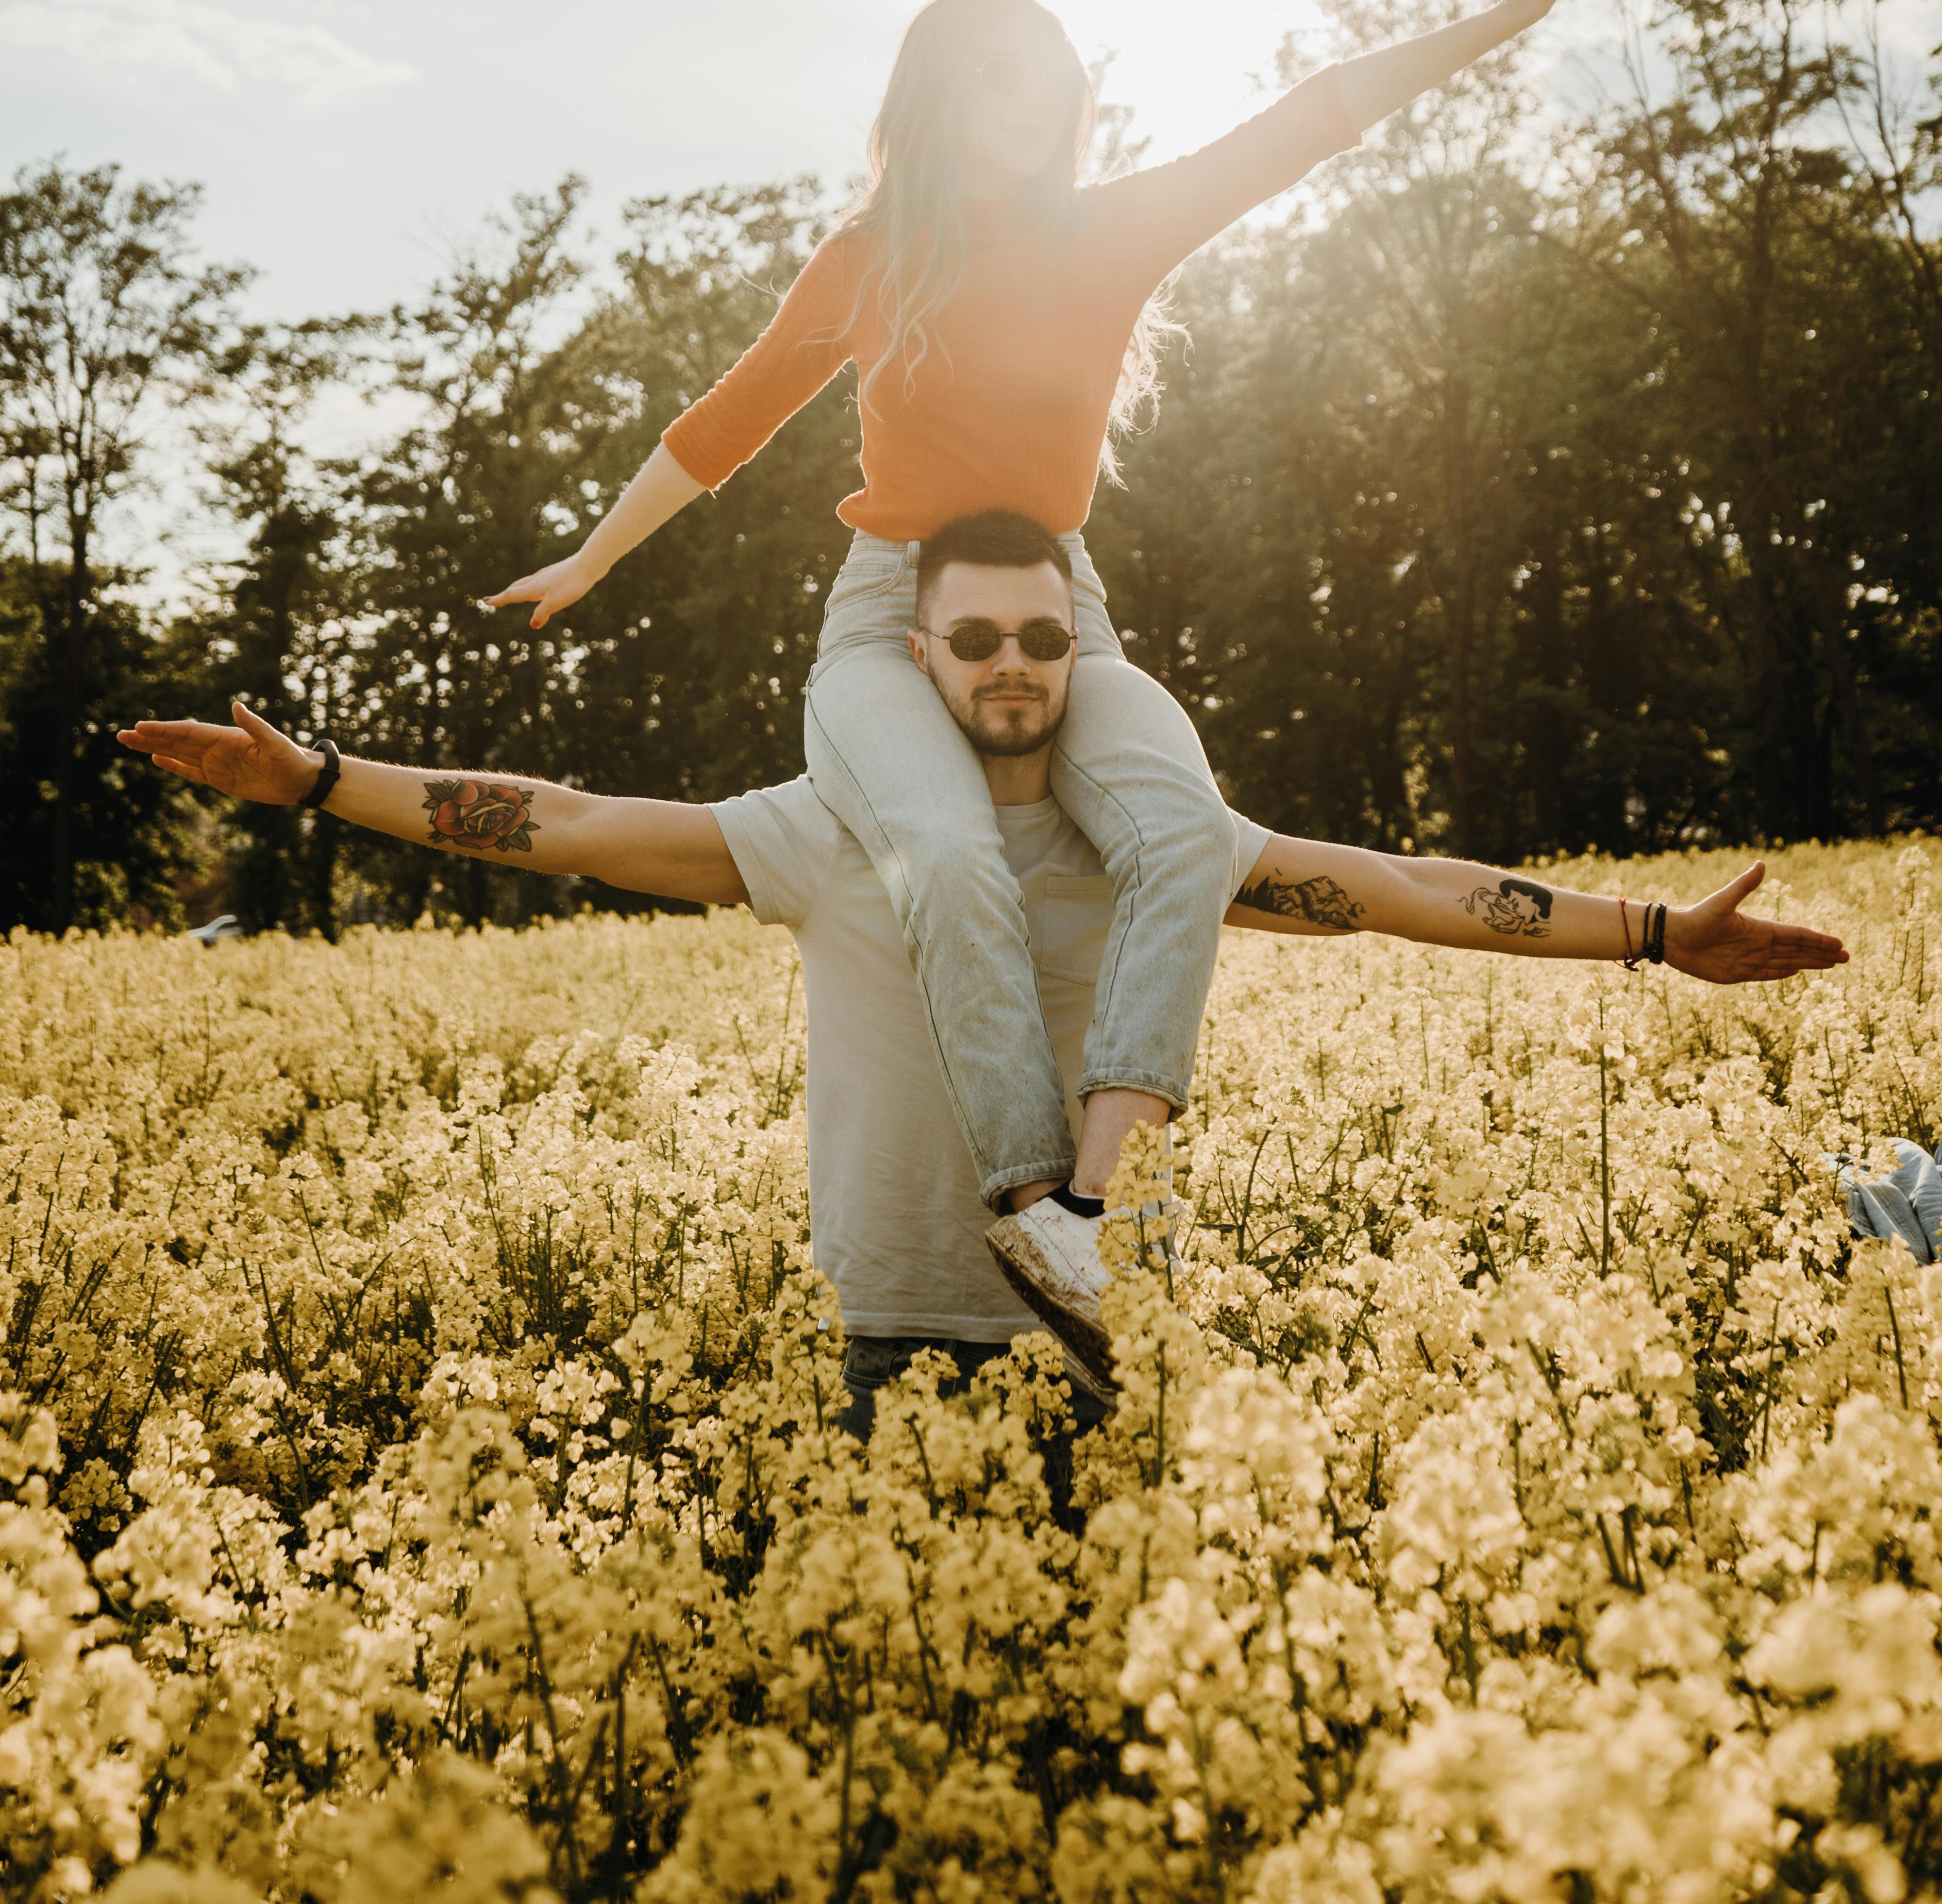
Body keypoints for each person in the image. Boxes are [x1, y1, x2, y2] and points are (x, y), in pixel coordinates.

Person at [120, 508, 1845, 1402]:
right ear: (922, 653)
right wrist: (317, 780)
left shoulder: (1167, 837)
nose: (1012, 661)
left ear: (1074, 647)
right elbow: (559, 818)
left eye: (1041, 634)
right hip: (898, 1328)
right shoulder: (831, 824)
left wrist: (1652, 939)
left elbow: (1395, 886)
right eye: (977, 638)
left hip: (1115, 1330)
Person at [480, 0, 1613, 1235]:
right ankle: (1031, 1203)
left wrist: (1507, 14)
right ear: (943, 95)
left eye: (1056, 69)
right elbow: (722, 428)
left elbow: (1311, 117)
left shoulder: (1112, 233)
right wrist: (592, 560)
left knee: (1184, 829)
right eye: (1003, 69)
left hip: (1059, 609)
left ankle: (1094, 1192)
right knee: (947, 853)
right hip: (892, 611)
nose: (1039, 95)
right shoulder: (867, 260)